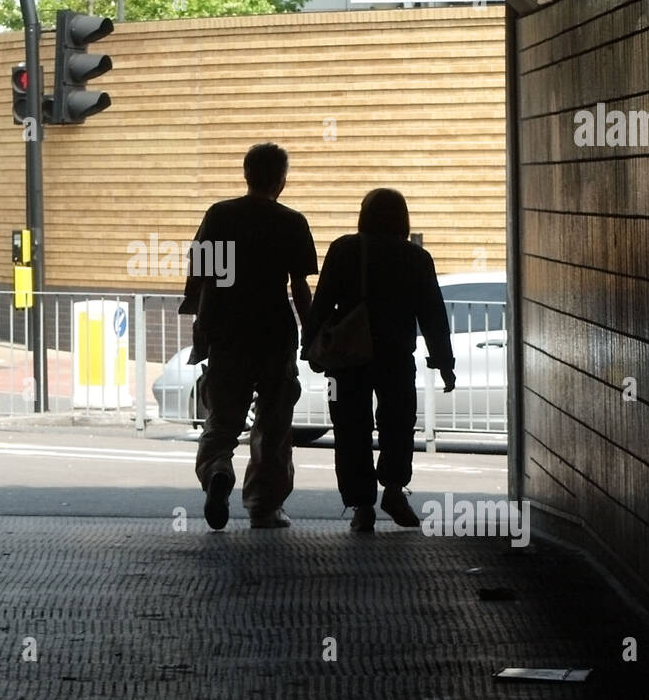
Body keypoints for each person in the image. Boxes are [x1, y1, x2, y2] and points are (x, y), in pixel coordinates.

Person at [179, 143, 317, 530]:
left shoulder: (220, 216)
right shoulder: (291, 222)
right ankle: (264, 506)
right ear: (281, 180)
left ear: (246, 174)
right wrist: (311, 334)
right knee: (274, 423)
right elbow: (300, 288)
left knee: (223, 418)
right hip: (274, 330)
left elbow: (205, 280)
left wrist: (203, 330)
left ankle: (218, 469)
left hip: (228, 329)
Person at [301, 189, 456, 532]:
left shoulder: (344, 249)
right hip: (396, 357)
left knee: (349, 429)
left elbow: (322, 303)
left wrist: (309, 345)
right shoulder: (416, 258)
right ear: (402, 219)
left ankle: (361, 507)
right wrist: (444, 361)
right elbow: (432, 313)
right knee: (398, 424)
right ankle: (394, 490)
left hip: (346, 360)